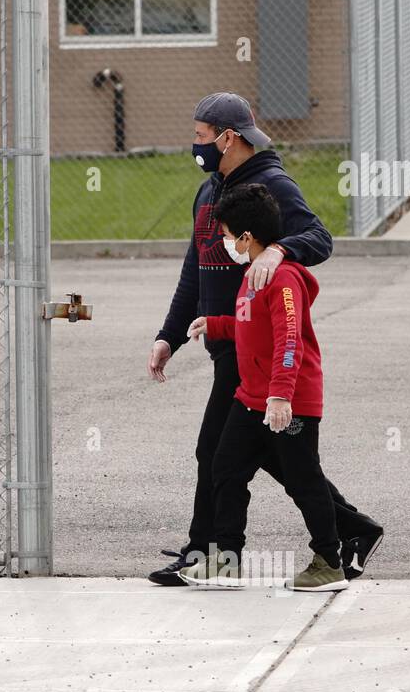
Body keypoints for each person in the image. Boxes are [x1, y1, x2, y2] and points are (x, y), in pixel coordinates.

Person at [147, 92, 383, 586]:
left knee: (217, 452)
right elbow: (196, 269)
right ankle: (352, 528)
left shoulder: (272, 186)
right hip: (226, 341)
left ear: (227, 138)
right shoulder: (211, 191)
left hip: (255, 350)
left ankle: (210, 553)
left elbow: (319, 238)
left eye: (199, 136)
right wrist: (170, 335)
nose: (194, 145)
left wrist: (278, 248)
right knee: (276, 458)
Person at [182, 183, 347, 591]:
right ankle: (226, 559)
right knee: (225, 468)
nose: (224, 243)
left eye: (226, 235)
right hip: (251, 397)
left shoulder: (284, 278)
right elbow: (251, 325)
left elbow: (289, 339)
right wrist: (216, 324)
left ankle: (329, 562)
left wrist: (280, 395)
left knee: (303, 480)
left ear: (246, 238)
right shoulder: (252, 274)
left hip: (287, 400)